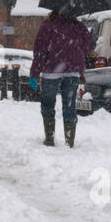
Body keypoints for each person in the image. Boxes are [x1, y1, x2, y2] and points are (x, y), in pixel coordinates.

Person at [29, 9, 95, 148]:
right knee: (69, 105)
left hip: (51, 71)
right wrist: (76, 47)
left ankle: (49, 138)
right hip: (73, 71)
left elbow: (39, 52)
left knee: (48, 103)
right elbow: (90, 46)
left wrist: (34, 74)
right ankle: (69, 141)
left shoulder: (47, 26)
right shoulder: (78, 26)